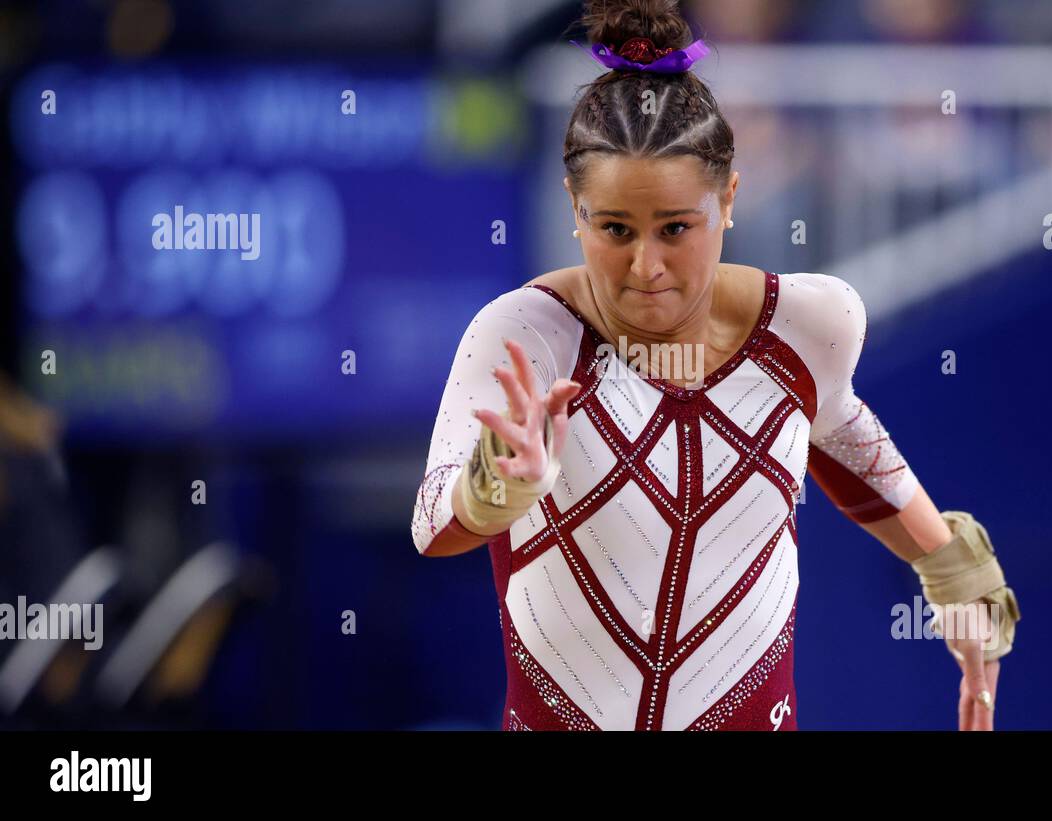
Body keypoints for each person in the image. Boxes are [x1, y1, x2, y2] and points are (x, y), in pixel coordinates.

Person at [411, 0, 1020, 731]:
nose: (647, 266)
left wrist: (957, 572)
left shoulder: (807, 325)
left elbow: (840, 427)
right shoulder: (526, 336)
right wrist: (496, 488)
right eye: (614, 229)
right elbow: (429, 522)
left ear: (728, 201)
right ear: (575, 208)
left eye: (676, 228)